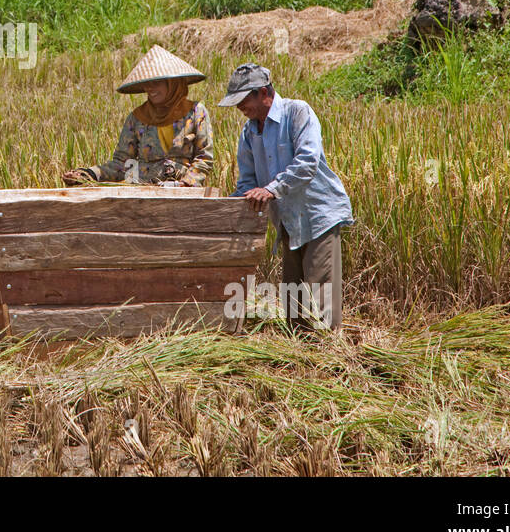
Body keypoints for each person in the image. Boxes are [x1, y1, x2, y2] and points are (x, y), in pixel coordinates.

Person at [217, 62, 353, 332]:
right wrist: (226, 210)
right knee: (294, 304)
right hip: (288, 221)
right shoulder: (249, 132)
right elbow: (247, 181)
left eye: (244, 100)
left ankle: (327, 358)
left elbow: (307, 163)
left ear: (264, 93)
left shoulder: (297, 112)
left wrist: (270, 190)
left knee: (319, 301)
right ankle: (299, 355)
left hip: (318, 215)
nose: (240, 108)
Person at [63, 45, 214, 187]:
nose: (149, 88)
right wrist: (89, 174)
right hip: (143, 191)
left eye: (156, 82)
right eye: (147, 83)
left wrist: (185, 183)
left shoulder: (195, 112)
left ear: (172, 83)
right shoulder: (138, 118)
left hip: (182, 192)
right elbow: (122, 163)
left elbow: (204, 158)